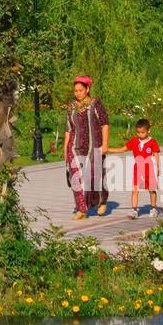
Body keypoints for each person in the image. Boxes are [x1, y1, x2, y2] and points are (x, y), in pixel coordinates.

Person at [64, 75, 110, 218]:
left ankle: (102, 201)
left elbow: (105, 124)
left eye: (80, 90)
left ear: (87, 89)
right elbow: (68, 129)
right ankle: (82, 209)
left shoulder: (95, 103)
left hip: (94, 145)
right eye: (75, 91)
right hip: (75, 146)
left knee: (93, 175)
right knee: (75, 176)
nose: (78, 93)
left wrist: (105, 144)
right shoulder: (71, 107)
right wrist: (65, 150)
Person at [107, 118, 160, 218]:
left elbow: (156, 154)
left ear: (149, 131)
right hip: (138, 169)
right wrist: (108, 149)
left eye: (143, 132)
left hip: (150, 170)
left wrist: (157, 168)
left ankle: (153, 208)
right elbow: (123, 149)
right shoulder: (134, 141)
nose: (140, 134)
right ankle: (134, 211)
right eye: (138, 132)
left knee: (151, 190)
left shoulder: (153, 142)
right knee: (135, 190)